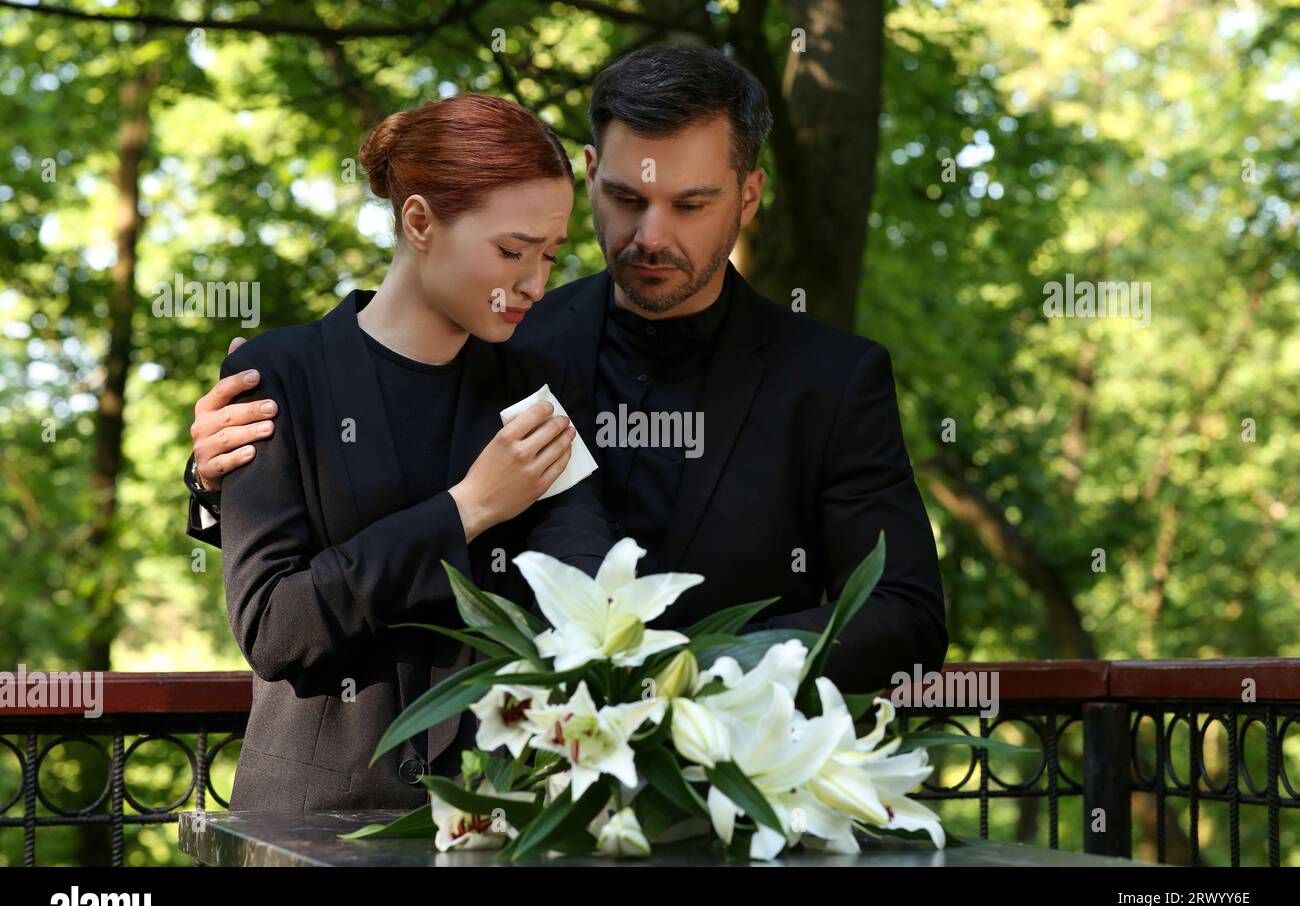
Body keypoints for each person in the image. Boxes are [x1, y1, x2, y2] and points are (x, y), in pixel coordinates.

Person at [188, 44, 948, 706]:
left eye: (690, 204)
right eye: (626, 198)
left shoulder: (833, 377)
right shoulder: (504, 335)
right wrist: (223, 477)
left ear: (747, 197)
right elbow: (371, 458)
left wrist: (679, 670)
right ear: (589, 174)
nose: (651, 236)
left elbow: (905, 615)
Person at [210, 92, 614, 814]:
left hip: (500, 813)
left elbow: (579, 598)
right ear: (420, 221)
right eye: (512, 251)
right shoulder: (279, 375)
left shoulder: (535, 390)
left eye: (550, 255)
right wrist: (469, 509)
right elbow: (276, 627)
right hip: (306, 824)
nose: (536, 283)